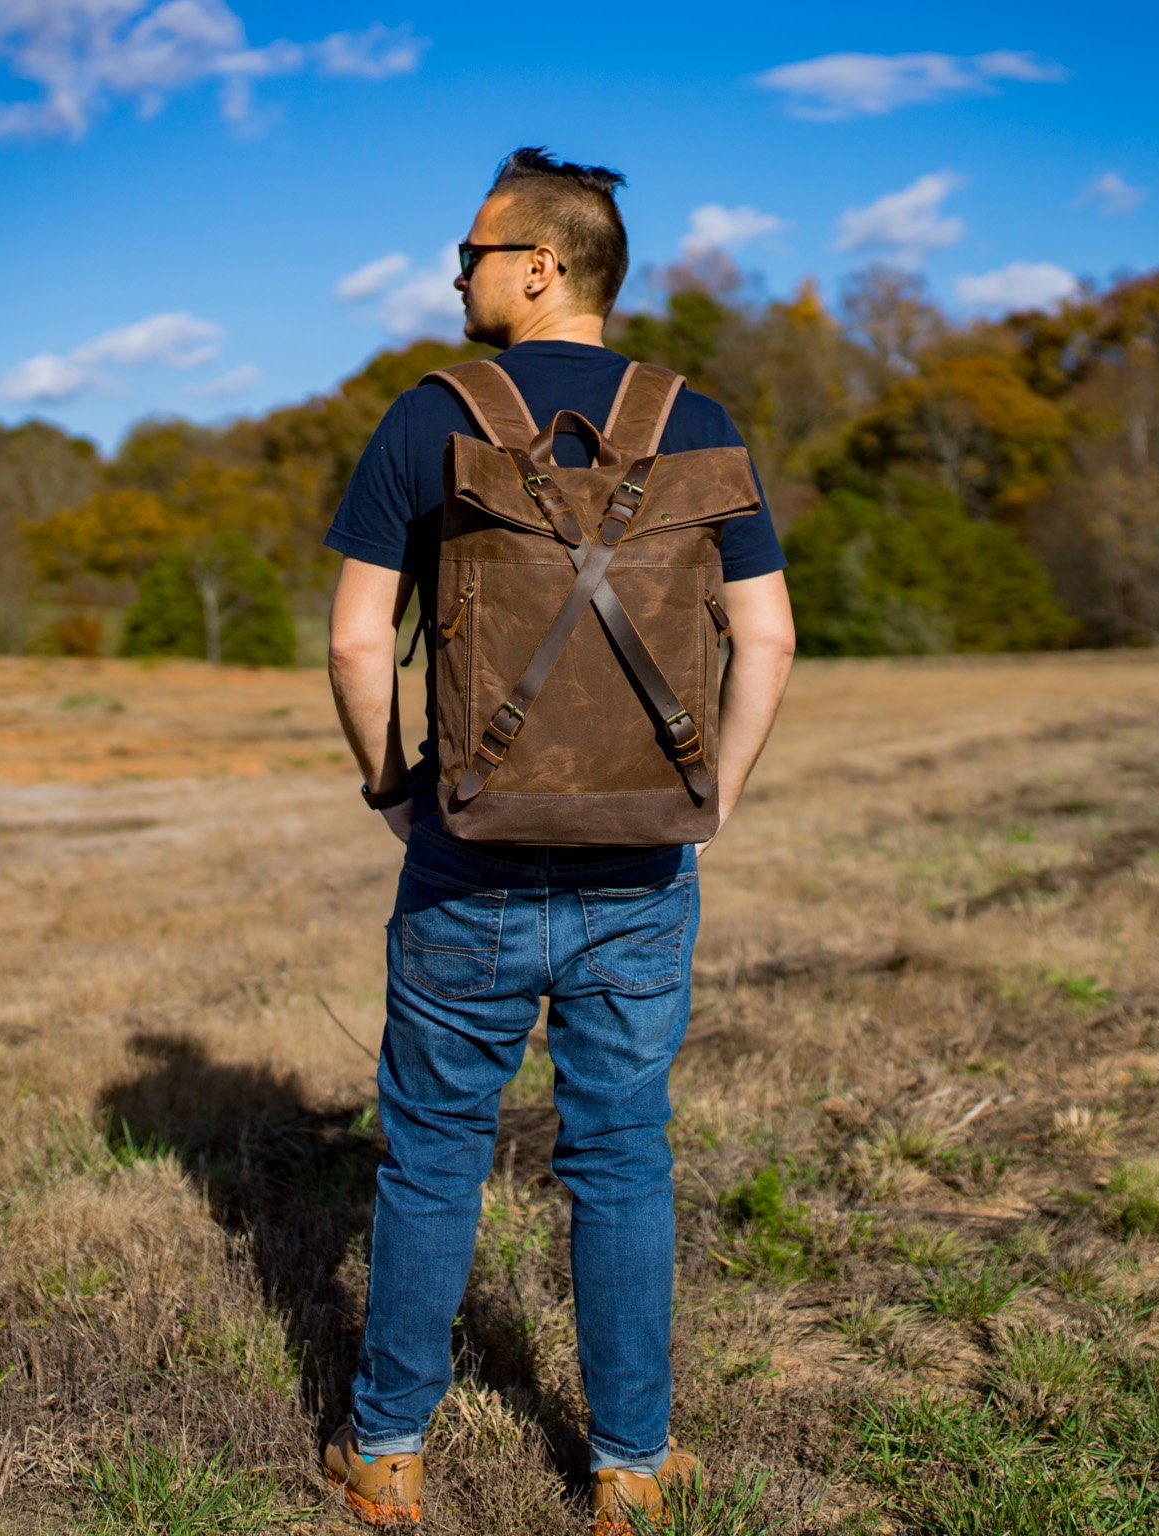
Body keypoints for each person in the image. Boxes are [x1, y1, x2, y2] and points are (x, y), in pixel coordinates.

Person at [322, 146, 795, 1531]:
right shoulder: (698, 416)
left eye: (471, 251)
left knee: (431, 1154)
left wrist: (393, 786)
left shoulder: (426, 419)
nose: (454, 272)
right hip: (645, 857)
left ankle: (388, 1453)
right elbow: (764, 636)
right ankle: (632, 1470)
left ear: (540, 265)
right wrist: (722, 789)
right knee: (621, 1156)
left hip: (470, 848)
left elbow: (360, 638)